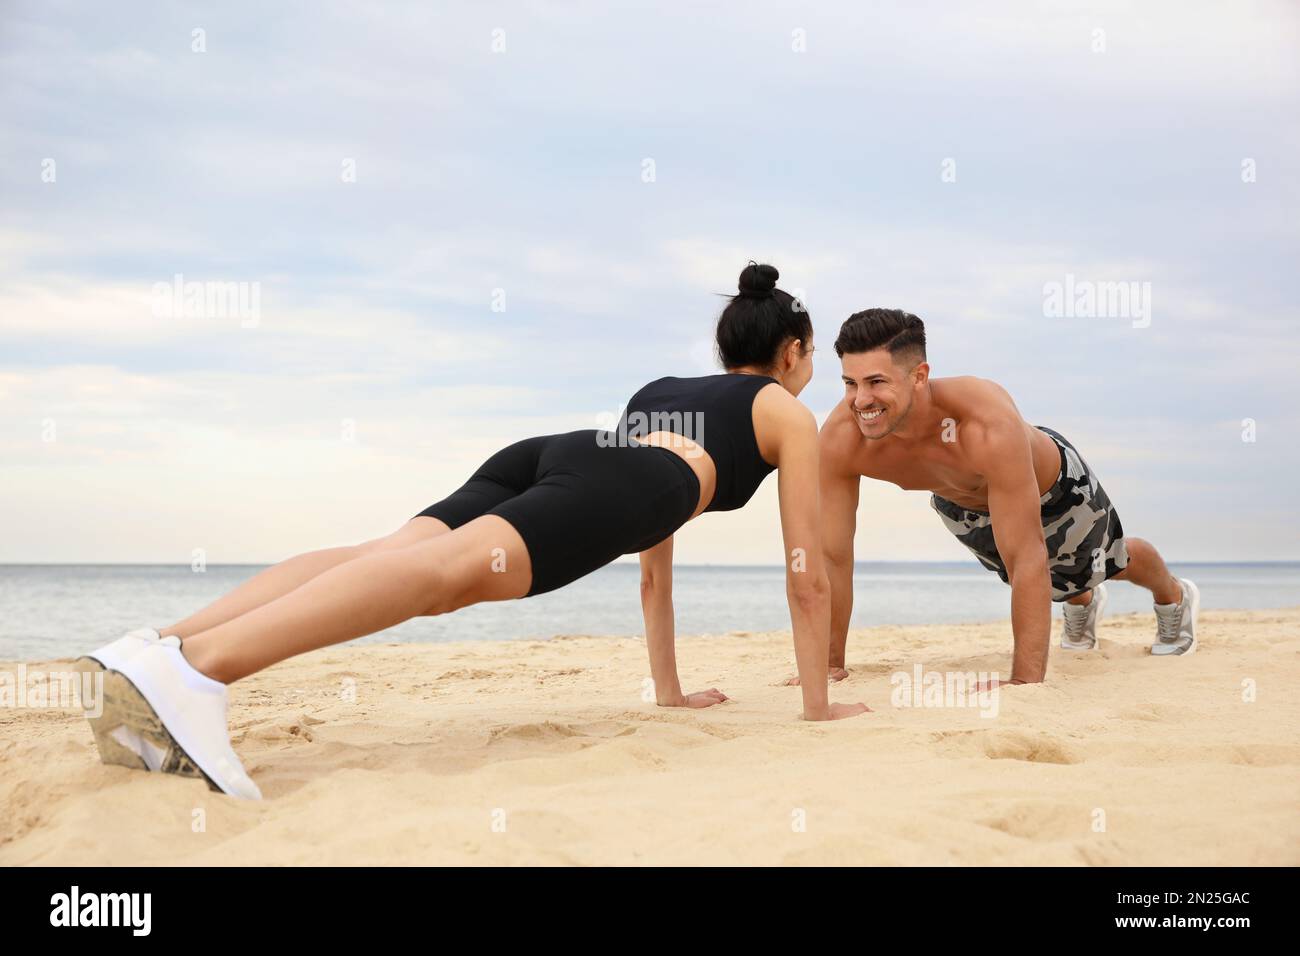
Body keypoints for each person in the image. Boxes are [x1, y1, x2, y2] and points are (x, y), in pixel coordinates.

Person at [80, 263, 868, 800]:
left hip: (557, 451)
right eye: (812, 359)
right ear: (793, 350)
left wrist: (667, 692)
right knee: (442, 579)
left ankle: (159, 648)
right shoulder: (784, 412)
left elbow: (652, 569)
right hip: (626, 486)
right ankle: (202, 672)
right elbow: (807, 569)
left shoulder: (660, 388)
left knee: (388, 553)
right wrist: (817, 707)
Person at [791, 307, 1197, 688]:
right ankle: (1080, 598)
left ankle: (1173, 596)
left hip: (1051, 487)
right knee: (1055, 578)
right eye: (850, 383)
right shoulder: (843, 439)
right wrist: (829, 665)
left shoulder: (984, 424)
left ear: (919, 375)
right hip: (961, 503)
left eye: (876, 382)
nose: (861, 400)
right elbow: (833, 556)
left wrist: (1022, 683)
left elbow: (1027, 554)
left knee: (1106, 561)